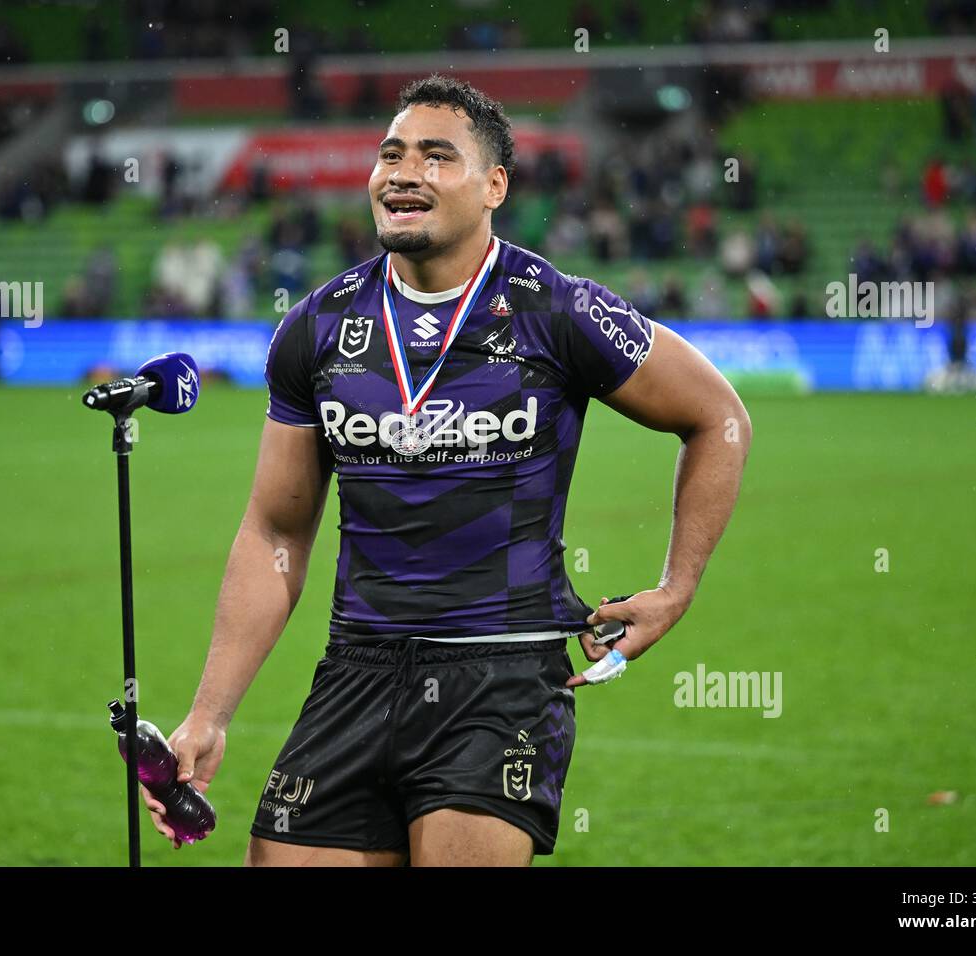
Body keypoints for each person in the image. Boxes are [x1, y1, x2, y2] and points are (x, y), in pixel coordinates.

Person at [145, 74, 751, 866]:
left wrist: (677, 589)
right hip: (356, 669)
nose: (403, 172)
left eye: (437, 156)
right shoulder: (318, 327)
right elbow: (275, 530)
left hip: (501, 674)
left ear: (494, 184)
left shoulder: (556, 308)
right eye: (391, 154)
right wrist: (210, 714)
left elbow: (719, 418)